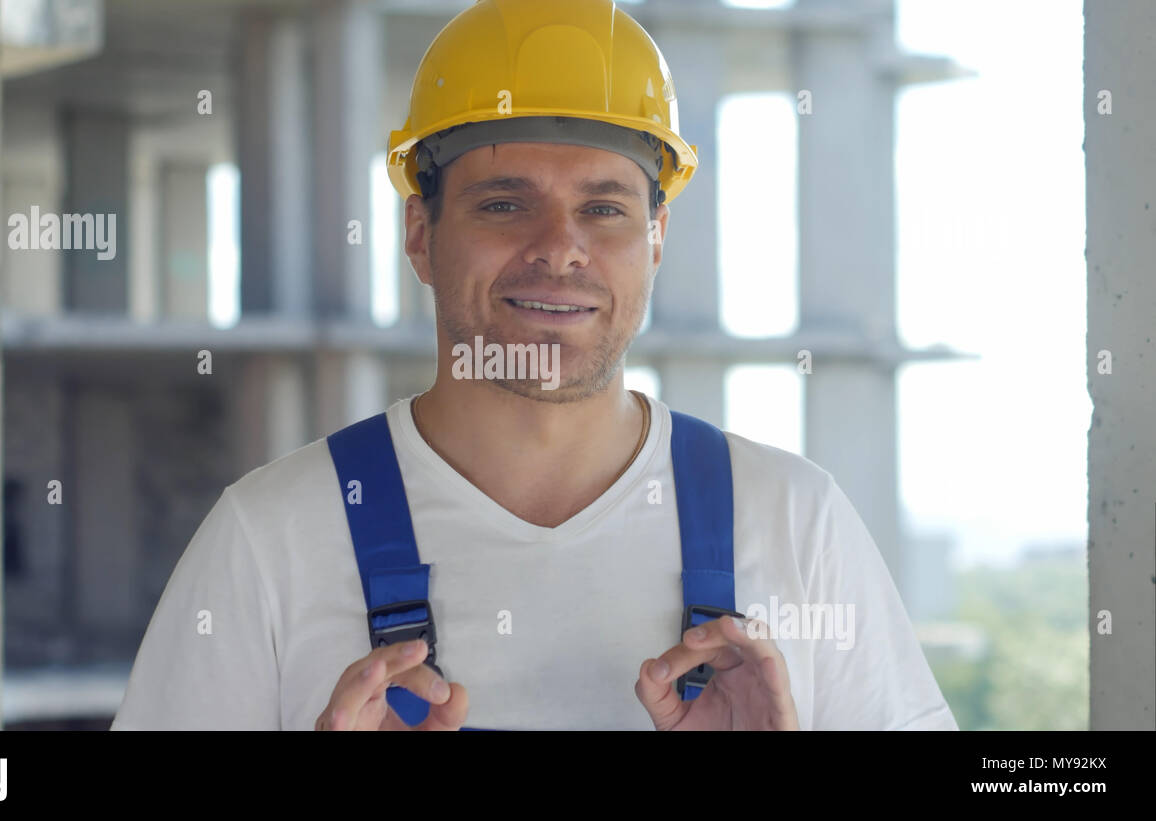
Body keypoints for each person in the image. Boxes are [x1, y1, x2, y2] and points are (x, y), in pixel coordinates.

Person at [112, 0, 957, 731]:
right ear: (419, 234)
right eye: (505, 203)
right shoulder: (271, 538)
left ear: (656, 239)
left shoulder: (793, 521)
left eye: (605, 208)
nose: (560, 250)